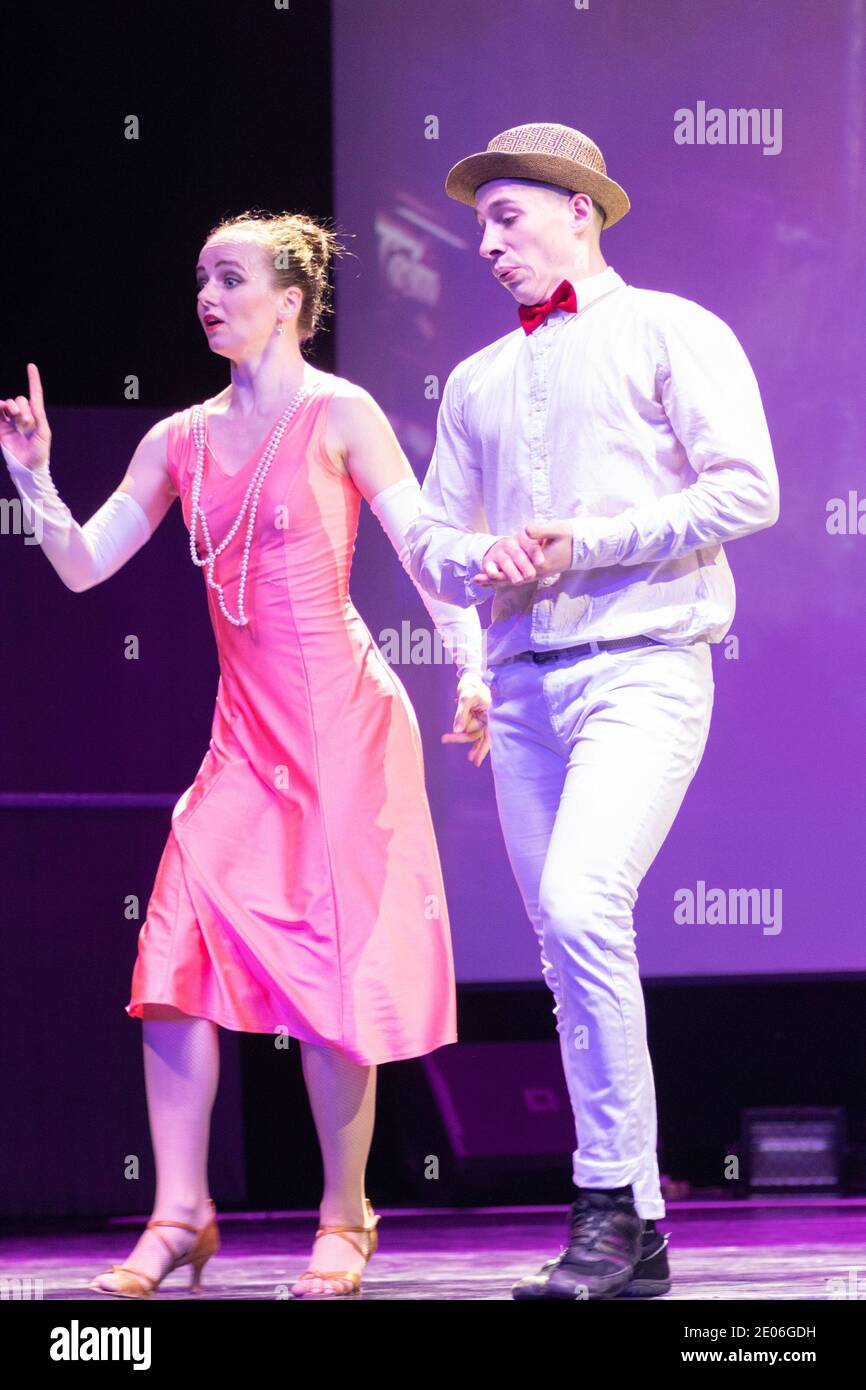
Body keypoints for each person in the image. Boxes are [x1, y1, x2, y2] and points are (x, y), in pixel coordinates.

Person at [1, 209, 490, 1299]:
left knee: (332, 973)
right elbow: (85, 567)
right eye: (199, 280)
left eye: (230, 278)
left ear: (291, 300)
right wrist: (33, 479)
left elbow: (424, 556)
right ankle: (180, 1215)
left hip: (344, 735)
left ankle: (343, 1213)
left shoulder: (341, 412)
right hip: (244, 741)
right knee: (170, 955)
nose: (207, 297)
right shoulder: (175, 437)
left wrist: (471, 668)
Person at [406, 123, 780, 1300]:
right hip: (520, 690)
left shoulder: (671, 329)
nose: (485, 243)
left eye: (506, 216)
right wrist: (472, 654)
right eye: (478, 224)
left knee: (580, 902)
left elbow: (748, 489)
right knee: (568, 955)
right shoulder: (473, 380)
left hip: (642, 666)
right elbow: (432, 541)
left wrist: (589, 543)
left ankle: (609, 1204)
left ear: (581, 208)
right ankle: (636, 1234)